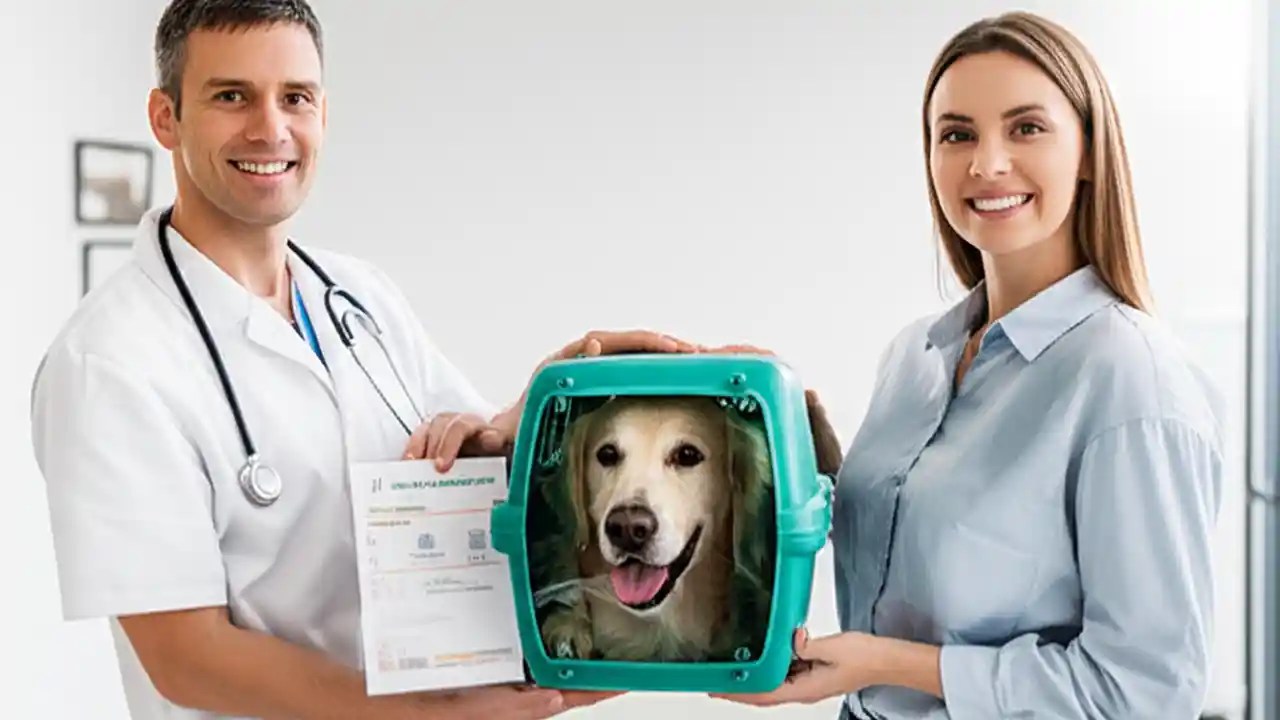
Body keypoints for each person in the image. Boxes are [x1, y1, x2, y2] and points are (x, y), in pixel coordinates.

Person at [29, 1, 688, 718]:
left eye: (296, 98)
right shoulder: (108, 363)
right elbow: (185, 657)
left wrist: (546, 398)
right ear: (166, 118)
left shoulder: (360, 297)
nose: (270, 128)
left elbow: (479, 463)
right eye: (231, 96)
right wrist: (424, 719)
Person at [714, 10, 1224, 719]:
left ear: (1087, 150)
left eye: (1026, 128)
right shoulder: (916, 356)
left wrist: (886, 665)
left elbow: (1145, 694)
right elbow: (913, 534)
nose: (986, 163)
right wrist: (796, 433)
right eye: (957, 134)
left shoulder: (1131, 378)